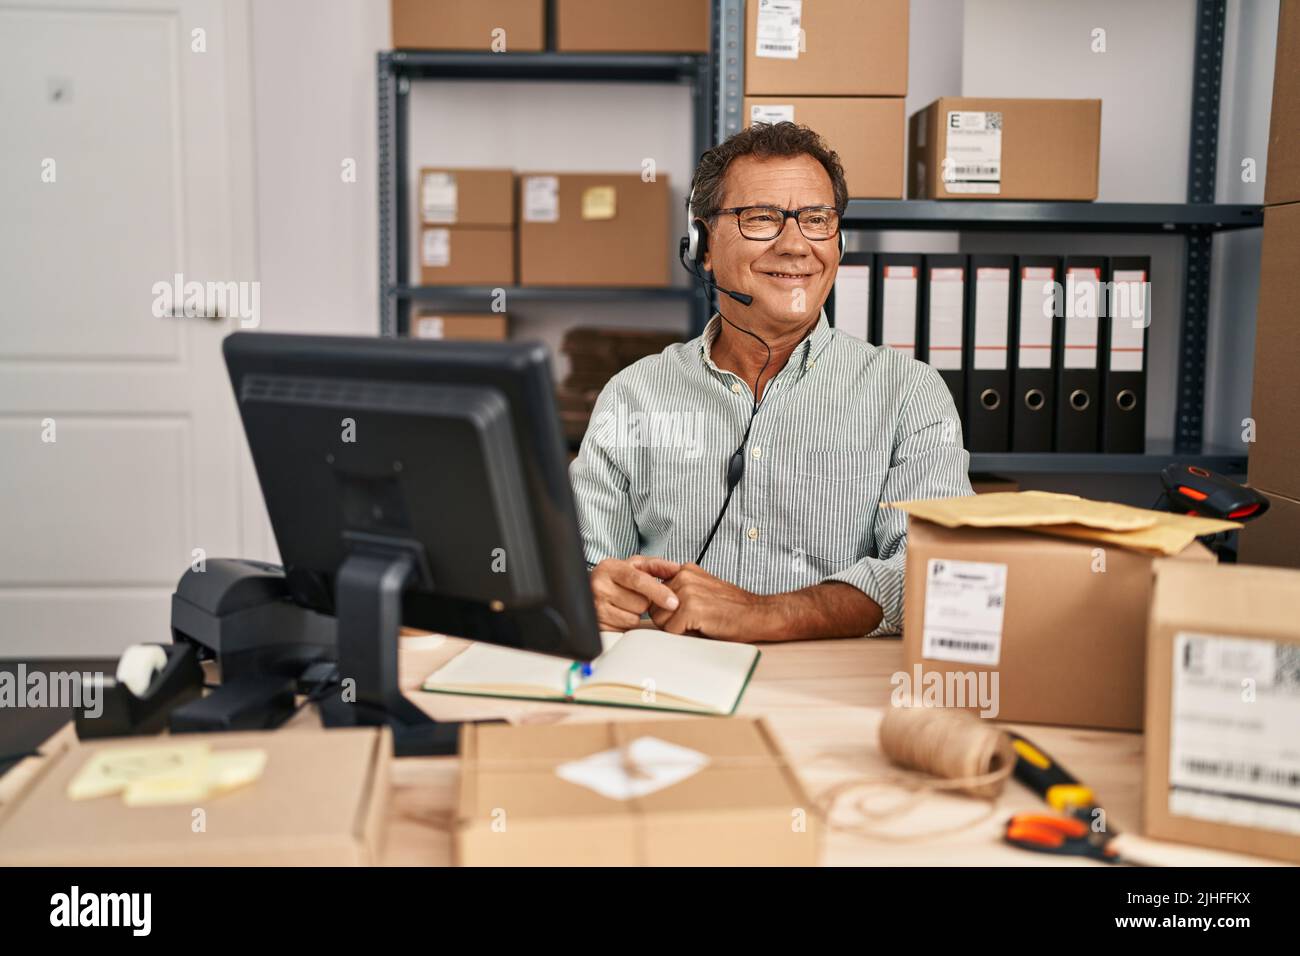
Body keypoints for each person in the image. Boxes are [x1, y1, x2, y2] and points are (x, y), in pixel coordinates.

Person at [570, 122, 972, 643]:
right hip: (670, 683)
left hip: (832, 694)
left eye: (817, 220)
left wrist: (765, 613)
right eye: (761, 219)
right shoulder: (634, 395)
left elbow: (936, 571)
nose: (796, 246)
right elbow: (583, 565)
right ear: (703, 244)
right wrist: (594, 590)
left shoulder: (910, 395)